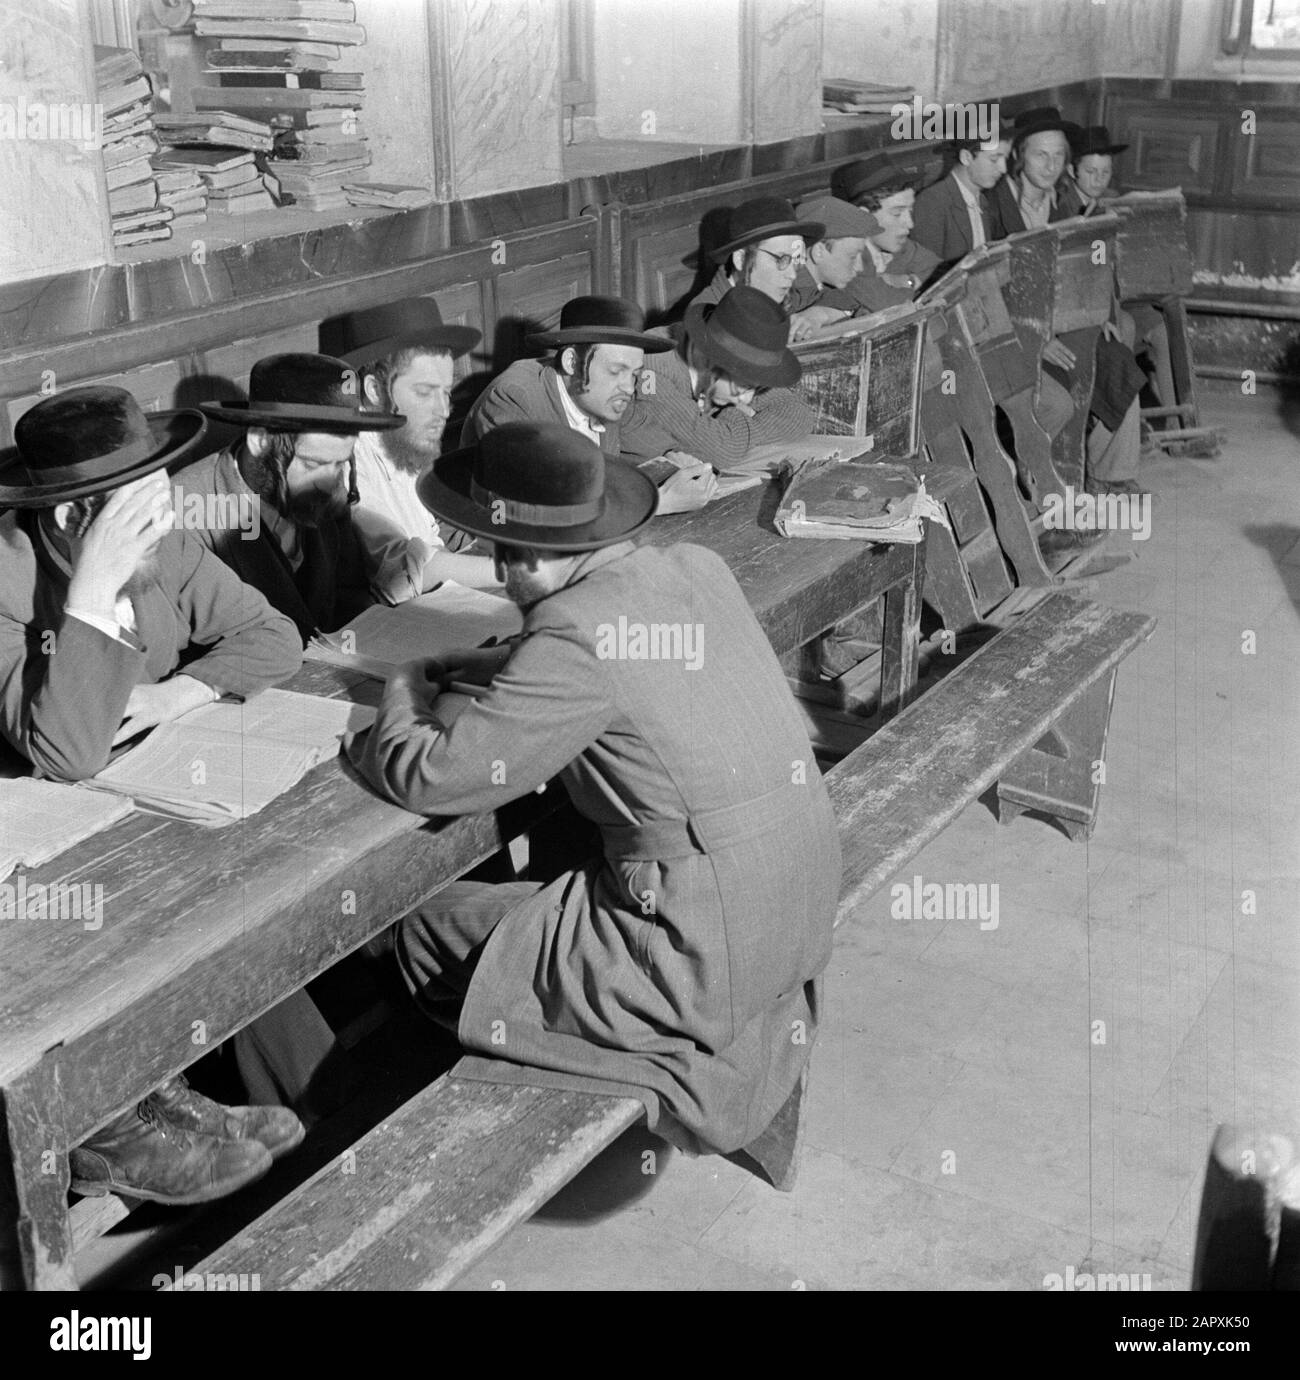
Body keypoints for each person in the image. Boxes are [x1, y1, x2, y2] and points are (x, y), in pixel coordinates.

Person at [347, 420, 841, 1159]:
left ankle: (425, 1131)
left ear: (531, 560)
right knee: (559, 860)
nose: (494, 565)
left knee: (419, 929)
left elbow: (430, 777)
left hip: (698, 951)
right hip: (798, 900)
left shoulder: (573, 634)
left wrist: (404, 680)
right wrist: (486, 663)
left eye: (495, 552)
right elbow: (613, 662)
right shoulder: (697, 566)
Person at [0, 386, 306, 1203]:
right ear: (75, 523)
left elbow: (276, 636)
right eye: (142, 509)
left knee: (239, 877)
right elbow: (65, 752)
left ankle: (158, 1089)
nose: (167, 518)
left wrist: (183, 694)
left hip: (130, 810)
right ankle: (104, 1132)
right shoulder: (5, 577)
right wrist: (91, 591)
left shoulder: (160, 542)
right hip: (29, 854)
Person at [176, 352, 403, 643]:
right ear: (260, 440)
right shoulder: (186, 511)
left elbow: (347, 594)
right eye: (313, 464)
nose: (330, 481)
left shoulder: (327, 490)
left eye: (340, 463)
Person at [989, 108, 1148, 498]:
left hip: (1062, 322)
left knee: (1116, 358)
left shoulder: (1060, 206)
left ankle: (1109, 476)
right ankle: (1045, 486)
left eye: (1059, 156)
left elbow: (1079, 271)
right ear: (1019, 156)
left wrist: (1099, 314)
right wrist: (1037, 337)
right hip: (1015, 333)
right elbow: (988, 290)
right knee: (1066, 386)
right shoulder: (995, 207)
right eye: (1041, 155)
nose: (1051, 164)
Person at [463, 295, 715, 514]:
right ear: (571, 362)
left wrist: (680, 464)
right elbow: (538, 509)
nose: (629, 387)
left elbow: (654, 444)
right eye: (616, 371)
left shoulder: (601, 395)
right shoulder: (513, 399)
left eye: (635, 374)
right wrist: (658, 503)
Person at [320, 298, 500, 603]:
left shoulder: (405, 434)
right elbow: (405, 569)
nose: (444, 410)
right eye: (424, 392)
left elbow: (435, 529)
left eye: (446, 392)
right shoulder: (343, 458)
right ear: (375, 391)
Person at [617, 285, 816, 469]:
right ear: (709, 360)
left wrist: (729, 429)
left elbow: (799, 414)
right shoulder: (652, 368)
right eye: (744, 388)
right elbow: (722, 451)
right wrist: (740, 417)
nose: (745, 399)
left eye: (758, 389)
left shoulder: (736, 353)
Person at [688, 195, 825, 311]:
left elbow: (822, 291)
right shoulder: (708, 315)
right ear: (740, 259)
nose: (792, 275)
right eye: (780, 260)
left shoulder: (777, 293)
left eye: (795, 260)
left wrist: (824, 314)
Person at [784, 194, 880, 338]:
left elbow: (851, 305)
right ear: (818, 252)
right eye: (852, 257)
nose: (859, 267)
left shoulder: (816, 286)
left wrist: (823, 313)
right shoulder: (792, 295)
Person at [911, 133, 1009, 267]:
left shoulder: (983, 199)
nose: (1003, 169)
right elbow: (924, 271)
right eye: (993, 159)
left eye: (1005, 159)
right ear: (966, 157)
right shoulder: (932, 202)